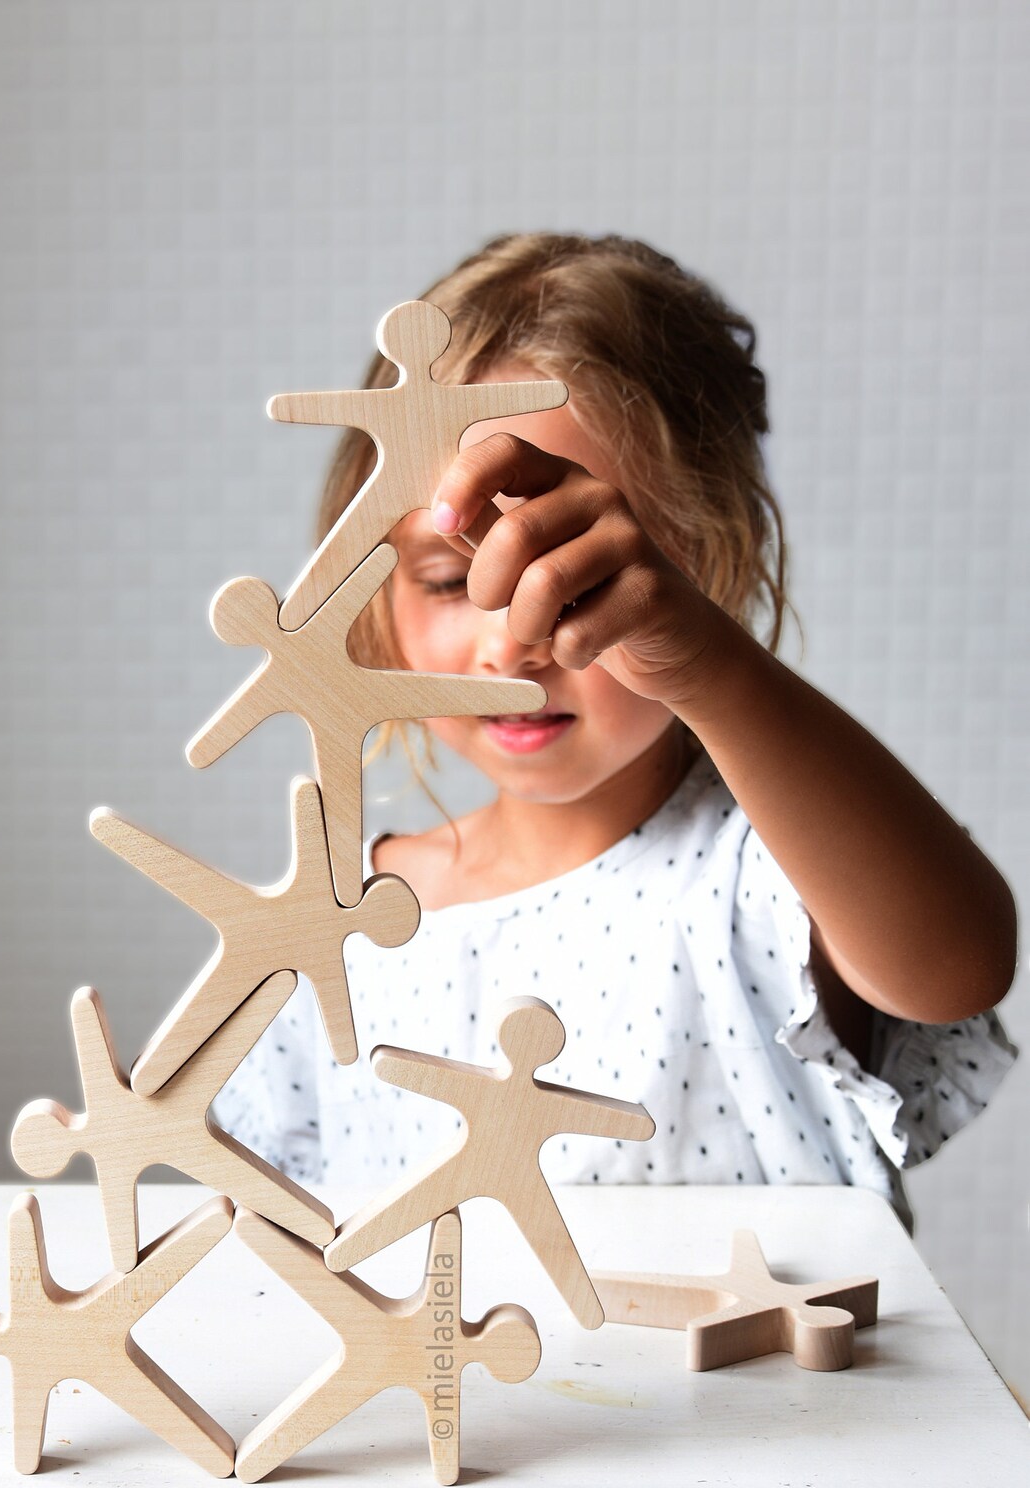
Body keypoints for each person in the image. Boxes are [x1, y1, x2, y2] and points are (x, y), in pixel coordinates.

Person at [215, 232, 1017, 1222]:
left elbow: (958, 966)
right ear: (371, 598)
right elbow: (259, 1230)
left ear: (711, 561)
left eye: (580, 572)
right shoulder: (334, 920)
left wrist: (710, 667)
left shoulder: (761, 874)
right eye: (450, 579)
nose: (513, 645)